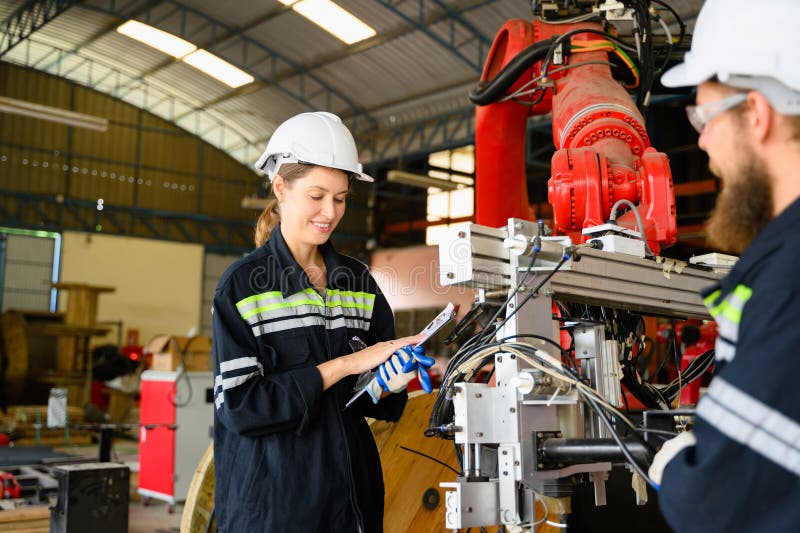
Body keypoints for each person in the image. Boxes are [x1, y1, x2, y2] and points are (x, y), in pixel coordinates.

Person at [211, 111, 433, 532]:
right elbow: (241, 408)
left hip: (352, 506)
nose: (329, 212)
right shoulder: (241, 287)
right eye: (316, 195)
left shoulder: (358, 282)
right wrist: (346, 364)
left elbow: (361, 402)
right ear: (281, 187)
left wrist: (387, 383)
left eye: (341, 198)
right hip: (275, 511)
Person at [648, 0, 800, 530]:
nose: (701, 139)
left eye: (704, 116)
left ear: (757, 113)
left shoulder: (787, 280)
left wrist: (677, 469)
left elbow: (715, 506)